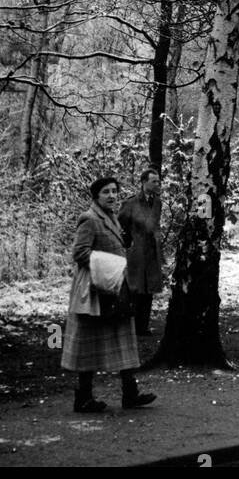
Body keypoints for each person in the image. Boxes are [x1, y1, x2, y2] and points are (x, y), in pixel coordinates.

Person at [61, 176, 157, 412]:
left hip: (115, 289)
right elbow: (80, 253)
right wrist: (111, 266)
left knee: (123, 338)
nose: (112, 196)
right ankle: (83, 398)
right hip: (94, 290)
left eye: (114, 191)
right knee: (88, 343)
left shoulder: (111, 217)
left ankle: (130, 393)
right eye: (106, 192)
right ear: (96, 196)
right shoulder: (90, 219)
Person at [119, 167, 164, 337]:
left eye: (158, 181)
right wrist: (127, 244)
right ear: (144, 182)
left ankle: (143, 327)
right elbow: (119, 226)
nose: (157, 184)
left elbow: (156, 226)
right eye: (154, 181)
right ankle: (130, 327)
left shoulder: (158, 202)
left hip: (152, 252)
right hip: (136, 253)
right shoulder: (130, 203)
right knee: (134, 290)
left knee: (149, 289)